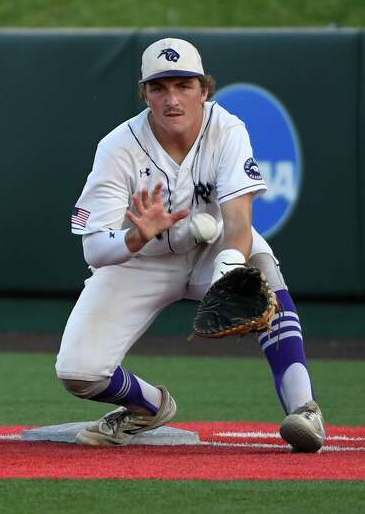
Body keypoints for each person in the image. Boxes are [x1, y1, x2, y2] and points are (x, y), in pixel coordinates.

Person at [54, 37, 325, 451]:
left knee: (262, 271)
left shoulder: (228, 129)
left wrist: (229, 272)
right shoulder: (117, 147)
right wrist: (136, 235)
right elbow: (94, 250)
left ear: (204, 89)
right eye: (160, 87)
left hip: (212, 249)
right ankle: (147, 406)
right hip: (140, 260)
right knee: (78, 372)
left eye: (183, 85)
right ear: (144, 93)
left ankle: (305, 411)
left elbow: (239, 220)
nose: (172, 99)